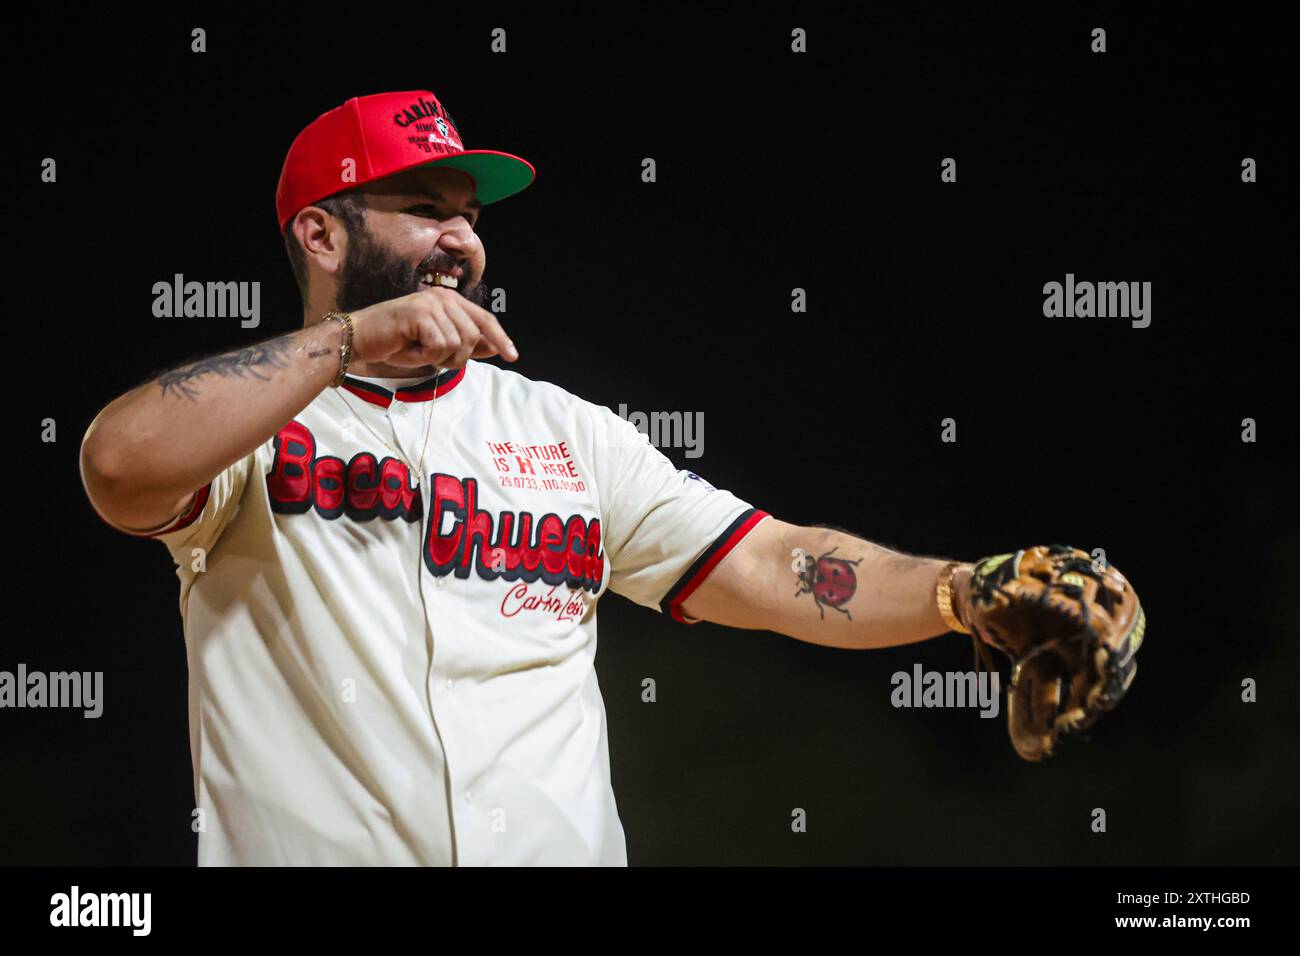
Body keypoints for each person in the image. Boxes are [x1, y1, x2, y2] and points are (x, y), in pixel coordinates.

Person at [79, 90, 978, 865]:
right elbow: (118, 464)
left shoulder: (564, 429)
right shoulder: (254, 430)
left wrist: (961, 594)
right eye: (427, 208)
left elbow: (774, 565)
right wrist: (350, 341)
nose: (463, 240)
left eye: (471, 217)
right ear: (320, 233)